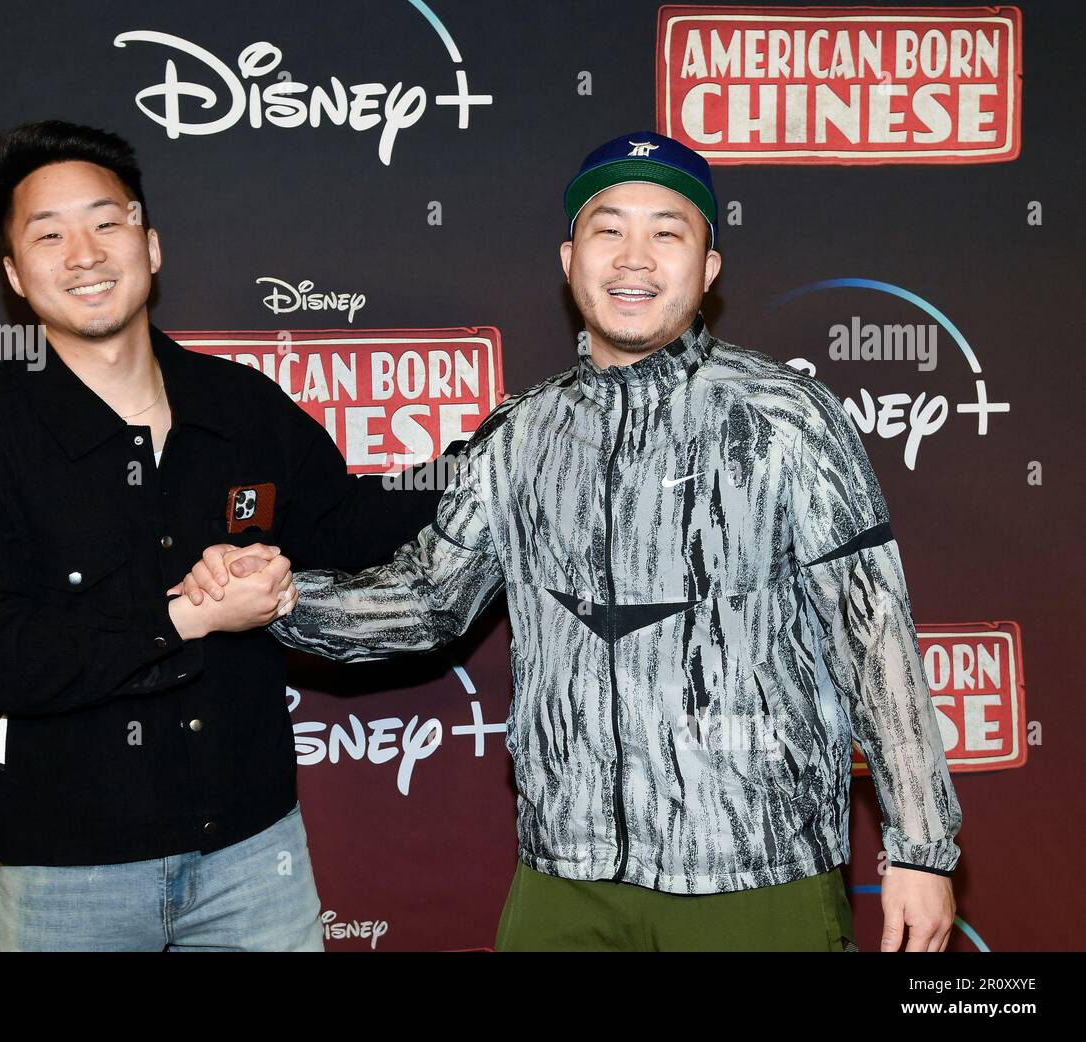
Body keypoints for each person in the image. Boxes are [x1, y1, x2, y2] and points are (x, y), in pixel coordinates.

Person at [179, 131, 963, 951]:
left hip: (755, 870)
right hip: (564, 873)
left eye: (668, 232)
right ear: (569, 257)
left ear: (709, 268)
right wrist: (283, 599)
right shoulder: (522, 433)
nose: (635, 258)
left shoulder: (787, 418)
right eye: (608, 229)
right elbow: (426, 601)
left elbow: (871, 630)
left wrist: (921, 847)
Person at [0, 120, 447, 951]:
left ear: (150, 245)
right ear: (15, 275)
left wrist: (488, 463)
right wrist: (186, 617)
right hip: (65, 876)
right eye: (49, 235)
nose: (83, 253)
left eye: (105, 222)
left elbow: (346, 522)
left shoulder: (240, 406)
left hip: (252, 856)